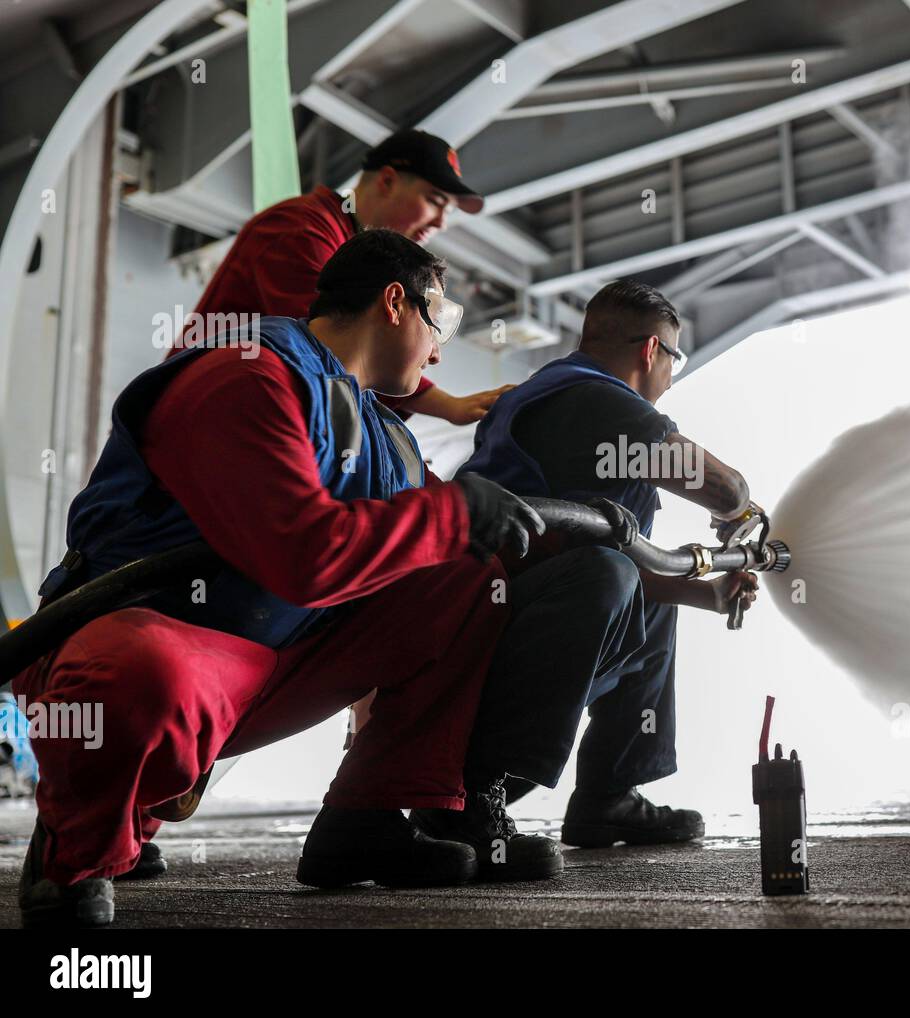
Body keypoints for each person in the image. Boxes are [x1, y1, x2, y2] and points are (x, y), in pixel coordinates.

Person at [13, 229, 543, 928]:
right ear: (394, 302)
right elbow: (305, 558)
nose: (440, 350)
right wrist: (453, 512)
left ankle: (369, 815)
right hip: (163, 634)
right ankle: (77, 853)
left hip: (273, 656)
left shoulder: (388, 437)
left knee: (475, 576)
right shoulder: (248, 373)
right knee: (141, 675)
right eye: (438, 323)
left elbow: (425, 544)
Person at [410, 280, 760, 852]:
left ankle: (609, 797)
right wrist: (740, 509)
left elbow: (595, 563)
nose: (671, 376)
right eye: (676, 359)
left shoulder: (556, 397)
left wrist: (710, 595)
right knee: (610, 575)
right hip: (476, 644)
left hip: (500, 622)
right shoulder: (592, 399)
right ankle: (473, 793)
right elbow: (723, 485)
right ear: (652, 350)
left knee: (645, 594)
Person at [174, 127, 510, 425]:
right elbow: (343, 340)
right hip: (198, 419)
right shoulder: (301, 228)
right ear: (388, 181)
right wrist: (448, 406)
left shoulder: (349, 248)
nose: (441, 222)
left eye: (448, 211)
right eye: (435, 201)